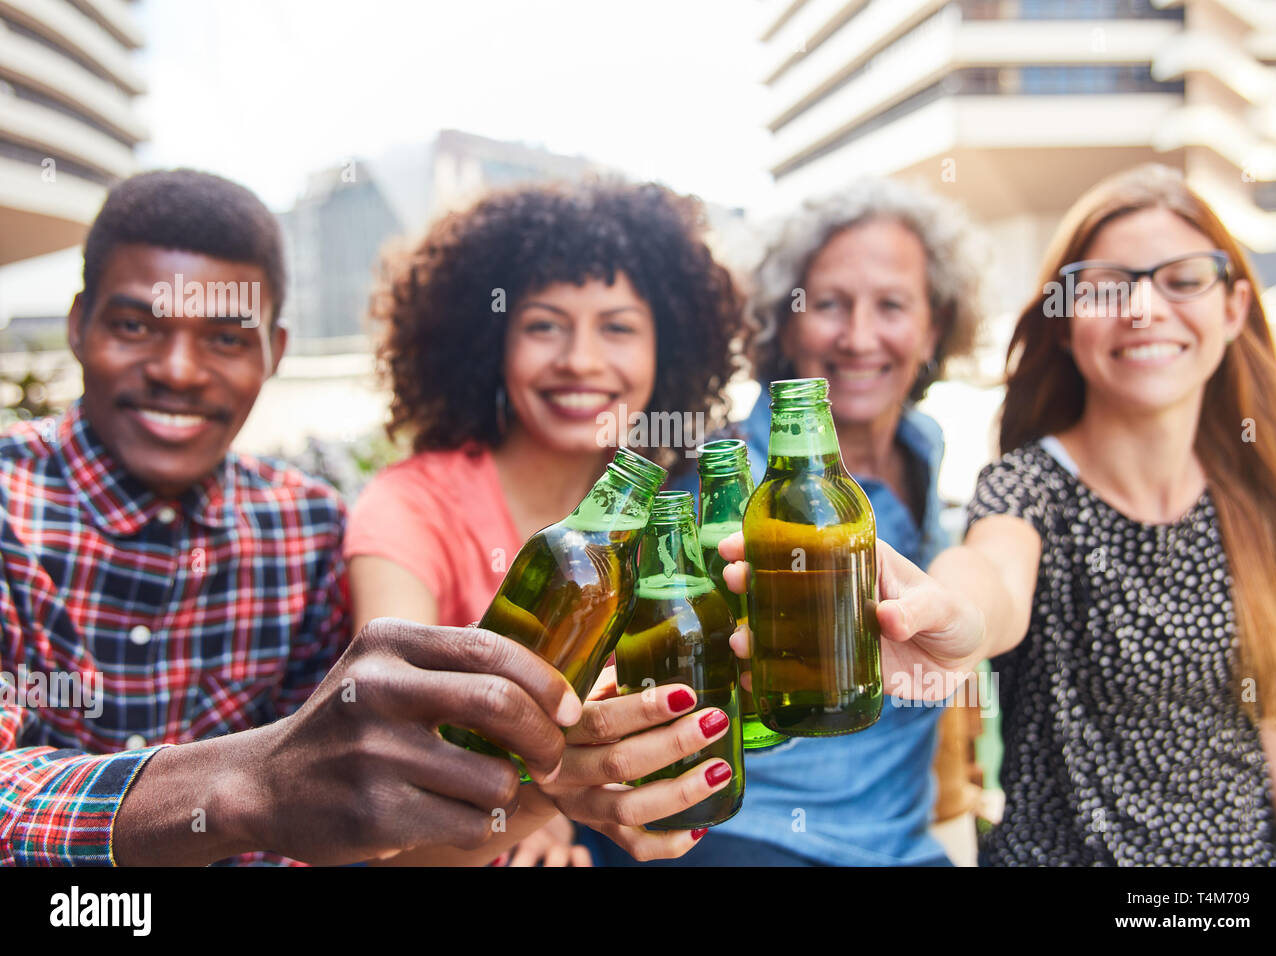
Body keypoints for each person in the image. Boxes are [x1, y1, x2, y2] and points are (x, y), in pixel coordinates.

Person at [0, 170, 731, 867]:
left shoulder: (304, 526)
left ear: (274, 352)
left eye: (225, 337)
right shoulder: (14, 505)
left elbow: (371, 816)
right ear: (76, 326)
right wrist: (243, 785)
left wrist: (543, 791)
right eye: (136, 325)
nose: (180, 370)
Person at [727, 163, 1276, 865]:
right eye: (1109, 287)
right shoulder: (1024, 487)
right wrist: (958, 621)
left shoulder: (922, 449)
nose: (1144, 308)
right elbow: (989, 575)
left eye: (1182, 279)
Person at [584, 177, 988, 866]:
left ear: (934, 327)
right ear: (785, 322)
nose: (858, 337)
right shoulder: (726, 480)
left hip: (901, 843)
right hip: (748, 832)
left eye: (891, 305)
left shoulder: (924, 446)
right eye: (829, 305)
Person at [344, 179, 750, 863]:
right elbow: (393, 796)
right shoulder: (409, 507)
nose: (581, 360)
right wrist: (539, 807)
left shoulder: (677, 516)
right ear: (489, 342)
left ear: (669, 348)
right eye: (543, 325)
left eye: (617, 326)